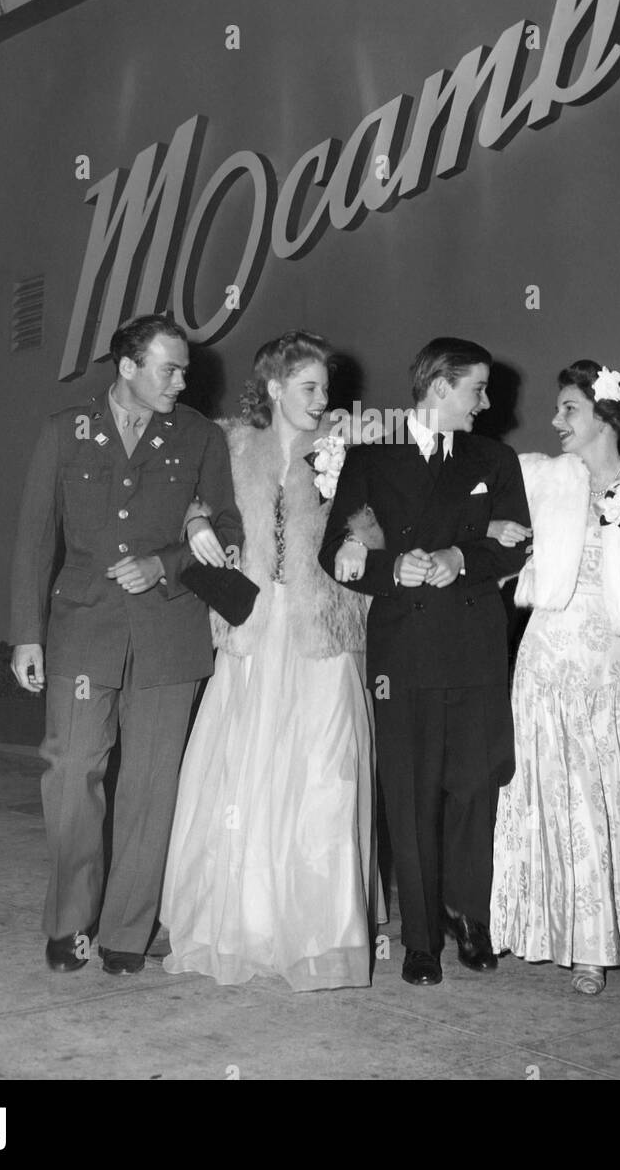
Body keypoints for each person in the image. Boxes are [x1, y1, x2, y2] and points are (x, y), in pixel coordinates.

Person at [10, 315, 242, 976]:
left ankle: (125, 932)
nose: (182, 380)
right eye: (170, 368)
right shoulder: (65, 432)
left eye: (185, 369)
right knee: (70, 773)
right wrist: (27, 635)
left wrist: (165, 566)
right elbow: (34, 540)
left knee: (150, 787)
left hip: (170, 632)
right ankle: (69, 923)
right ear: (128, 366)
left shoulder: (200, 435)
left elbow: (227, 531)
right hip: (83, 629)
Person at [161, 331, 381, 991]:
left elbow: (374, 525)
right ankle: (244, 925)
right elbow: (185, 498)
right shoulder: (230, 444)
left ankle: (317, 934)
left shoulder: (345, 448)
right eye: (309, 387)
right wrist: (196, 520)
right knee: (242, 773)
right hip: (254, 626)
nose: (322, 400)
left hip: (318, 629)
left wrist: (357, 540)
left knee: (323, 776)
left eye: (326, 389)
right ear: (276, 386)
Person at [321, 338, 531, 986]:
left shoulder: (493, 458)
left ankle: (470, 919)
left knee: (473, 788)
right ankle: (419, 939)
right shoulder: (370, 459)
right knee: (409, 797)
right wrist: (393, 566)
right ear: (439, 388)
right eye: (478, 389)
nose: (488, 402)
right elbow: (338, 550)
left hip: (473, 649)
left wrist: (458, 559)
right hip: (402, 652)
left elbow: (515, 542)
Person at [489, 360, 620, 995]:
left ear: (606, 416)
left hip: (615, 668)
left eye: (569, 409)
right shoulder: (541, 478)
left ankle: (595, 944)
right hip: (544, 661)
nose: (555, 421)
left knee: (609, 800)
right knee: (541, 793)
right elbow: (464, 497)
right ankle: (534, 926)